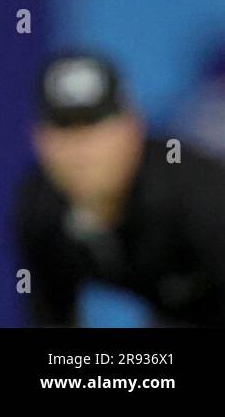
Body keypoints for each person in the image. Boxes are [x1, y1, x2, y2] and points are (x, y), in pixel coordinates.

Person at [14, 52, 225, 326]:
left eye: (95, 123)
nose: (82, 149)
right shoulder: (39, 210)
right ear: (38, 139)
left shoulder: (202, 196)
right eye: (65, 127)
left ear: (132, 127)